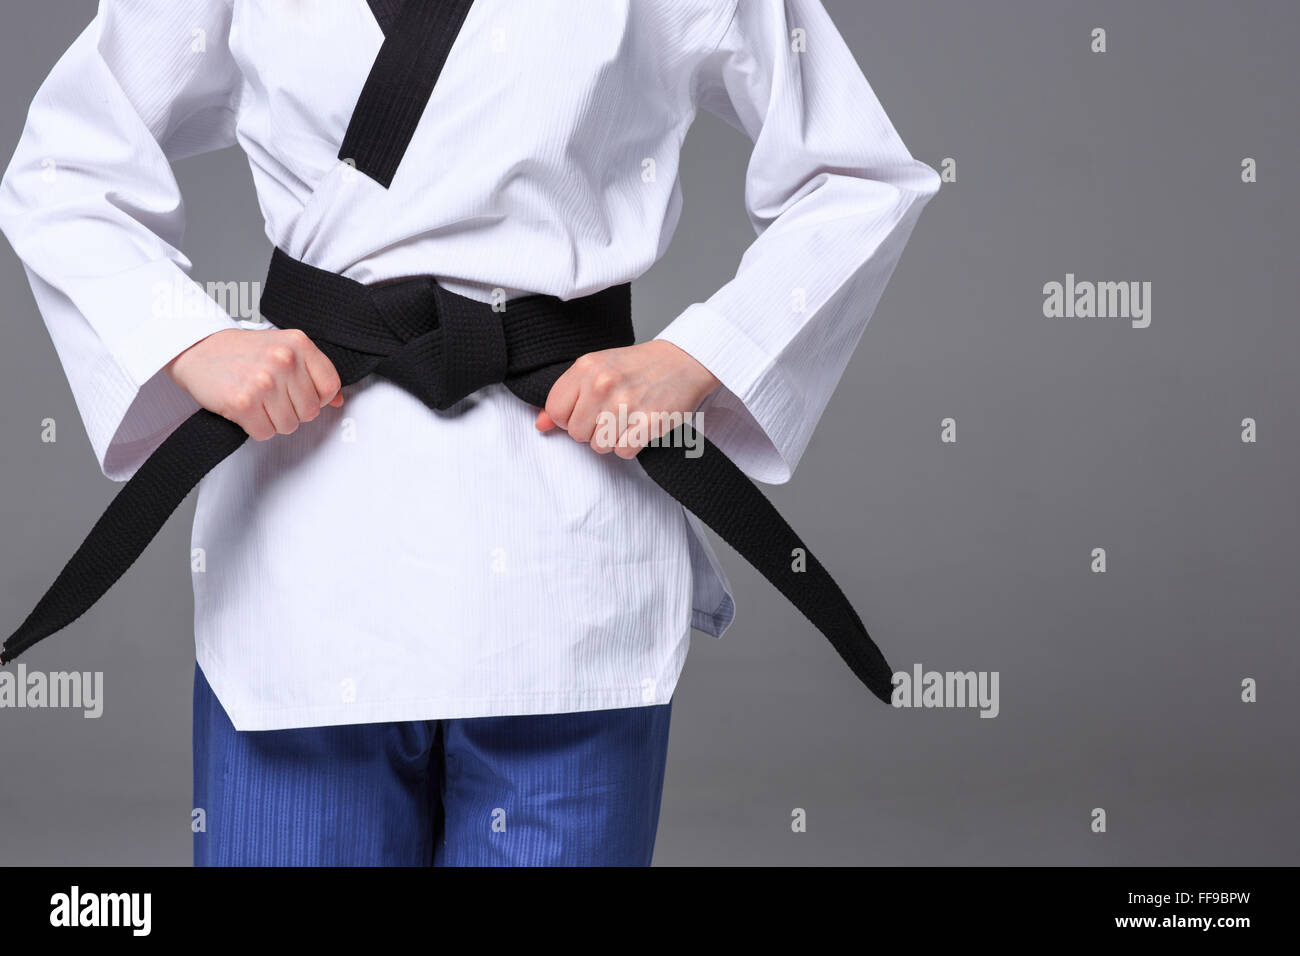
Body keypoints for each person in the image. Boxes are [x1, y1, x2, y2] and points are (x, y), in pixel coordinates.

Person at [0, 0, 939, 866]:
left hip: (566, 567)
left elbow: (858, 173)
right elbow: (64, 168)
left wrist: (698, 358)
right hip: (308, 571)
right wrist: (192, 338)